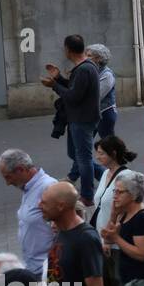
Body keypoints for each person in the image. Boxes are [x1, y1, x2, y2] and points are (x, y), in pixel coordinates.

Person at [42, 34, 100, 207]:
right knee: (76, 155)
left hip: (83, 120)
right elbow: (75, 88)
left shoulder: (84, 69)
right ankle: (106, 176)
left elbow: (73, 97)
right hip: (82, 118)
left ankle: (88, 195)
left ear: (68, 49)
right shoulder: (85, 67)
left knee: (83, 158)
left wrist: (54, 86)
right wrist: (59, 78)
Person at [0, 149, 58, 271]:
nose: (8, 183)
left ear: (20, 169)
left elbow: (63, 231)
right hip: (32, 266)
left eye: (8, 177)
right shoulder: (28, 187)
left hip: (47, 270)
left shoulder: (49, 188)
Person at [85, 44, 118, 155]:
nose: (85, 57)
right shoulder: (93, 72)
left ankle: (118, 166)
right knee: (84, 144)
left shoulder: (107, 75)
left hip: (105, 113)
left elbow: (96, 96)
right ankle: (77, 169)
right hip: (94, 113)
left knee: (109, 144)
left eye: (89, 55)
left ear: (98, 58)